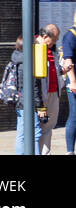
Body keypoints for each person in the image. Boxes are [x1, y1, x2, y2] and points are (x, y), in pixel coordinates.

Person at [8, 34, 47, 154]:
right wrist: (40, 107)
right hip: (29, 103)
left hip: (19, 102)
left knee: (21, 133)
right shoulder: (30, 62)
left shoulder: (16, 58)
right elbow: (34, 87)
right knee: (35, 133)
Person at [42, 25, 62, 154]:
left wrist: (62, 70)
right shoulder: (35, 48)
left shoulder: (53, 50)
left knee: (49, 125)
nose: (55, 42)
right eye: (53, 39)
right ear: (45, 37)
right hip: (42, 93)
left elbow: (53, 69)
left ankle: (45, 152)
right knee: (40, 126)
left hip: (54, 92)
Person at [62, 15, 76, 155]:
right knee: (74, 115)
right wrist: (73, 82)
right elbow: (68, 60)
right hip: (74, 80)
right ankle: (70, 151)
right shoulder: (70, 36)